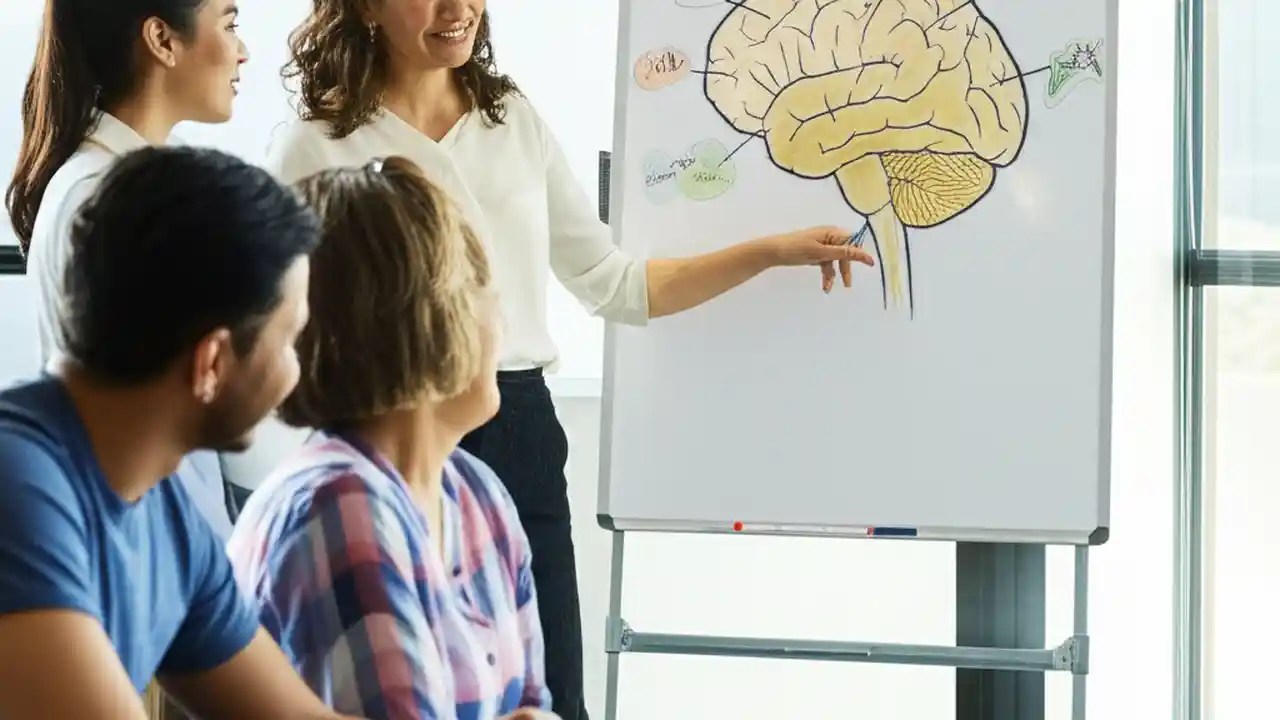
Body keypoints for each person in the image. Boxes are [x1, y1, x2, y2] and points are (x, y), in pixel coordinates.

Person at [258, 3, 878, 717]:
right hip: (382, 429)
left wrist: (772, 251)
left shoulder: (509, 120)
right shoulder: (314, 145)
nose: (458, 9)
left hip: (514, 424)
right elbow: (276, 319)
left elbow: (614, 282)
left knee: (551, 695)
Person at [0, 145, 362, 719]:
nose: (299, 370)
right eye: (290, 339)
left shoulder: (161, 507)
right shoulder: (19, 487)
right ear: (212, 362)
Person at [227, 157, 555, 720]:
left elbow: (535, 706)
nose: (500, 313)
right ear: (422, 314)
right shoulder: (339, 506)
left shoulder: (478, 494)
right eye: (481, 283)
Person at [5, 0, 249, 538]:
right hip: (158, 544)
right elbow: (143, 423)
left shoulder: (151, 173)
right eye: (230, 26)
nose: (244, 53)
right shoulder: (106, 200)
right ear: (162, 40)